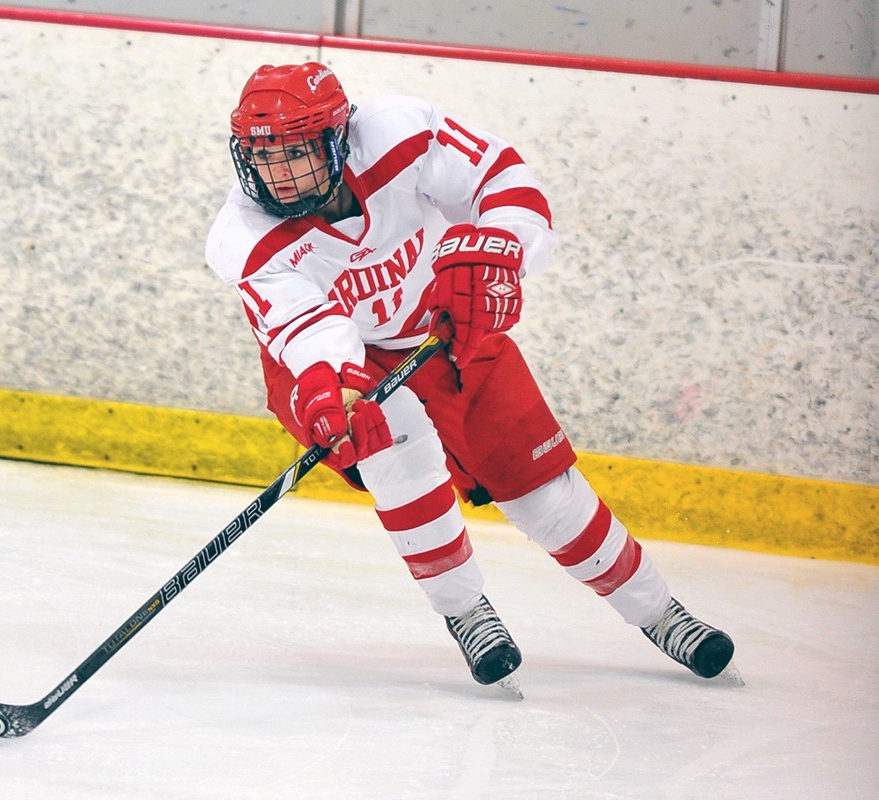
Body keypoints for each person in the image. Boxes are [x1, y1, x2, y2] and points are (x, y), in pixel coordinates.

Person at [204, 62, 738, 694]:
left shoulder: (400, 131)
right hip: (339, 359)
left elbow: (506, 182)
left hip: (447, 324)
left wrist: (496, 252)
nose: (282, 174)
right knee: (397, 455)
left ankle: (660, 613)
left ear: (340, 137)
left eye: (298, 152)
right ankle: (466, 612)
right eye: (266, 156)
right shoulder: (244, 237)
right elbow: (309, 331)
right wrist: (338, 391)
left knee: (543, 490)